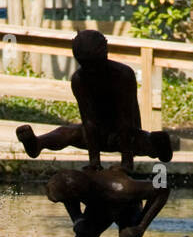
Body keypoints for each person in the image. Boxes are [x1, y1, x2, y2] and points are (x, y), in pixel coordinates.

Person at [15, 29, 174, 172]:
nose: (91, 72)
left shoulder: (123, 75)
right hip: (95, 135)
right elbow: (88, 121)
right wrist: (94, 162)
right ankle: (37, 144)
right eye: (88, 67)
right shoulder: (79, 79)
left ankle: (159, 149)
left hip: (126, 136)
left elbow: (125, 120)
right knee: (66, 132)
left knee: (148, 140)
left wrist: (126, 162)